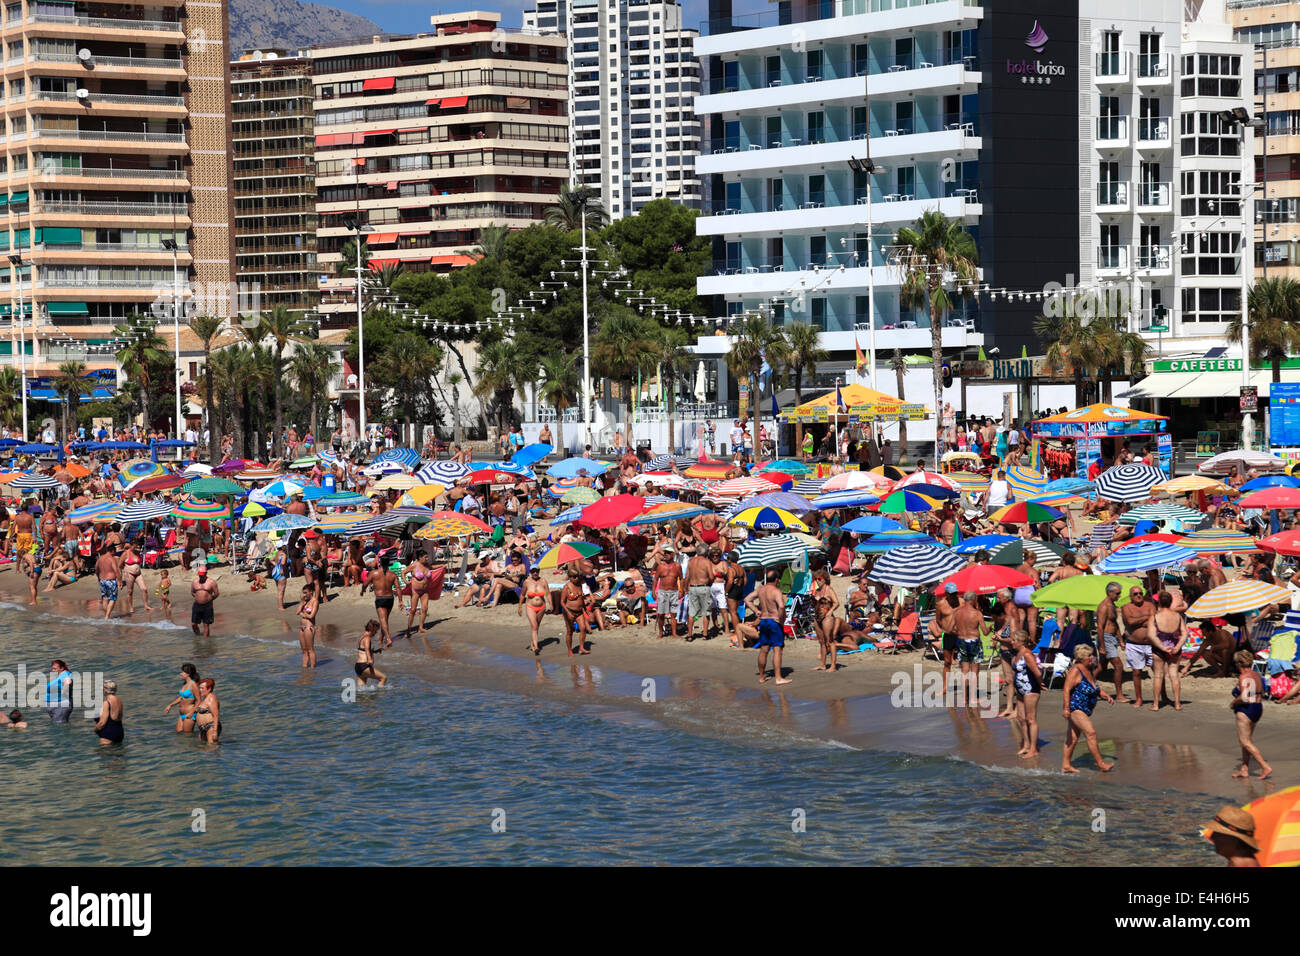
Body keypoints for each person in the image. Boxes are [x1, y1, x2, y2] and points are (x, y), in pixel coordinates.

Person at [1061, 645, 1115, 773]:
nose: (1092, 658)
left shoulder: (1088, 669)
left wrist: (1105, 694)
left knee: (1073, 737)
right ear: (1082, 658)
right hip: (1075, 707)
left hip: (1084, 709)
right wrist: (1067, 708)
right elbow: (1066, 689)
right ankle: (1101, 764)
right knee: (1091, 733)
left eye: (1091, 655)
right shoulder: (1075, 670)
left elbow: (1093, 687)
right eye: (1089, 656)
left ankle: (1066, 765)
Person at [1230, 650, 1272, 779]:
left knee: (1245, 741)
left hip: (1246, 709)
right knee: (1246, 740)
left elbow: (1244, 697)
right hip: (1257, 708)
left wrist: (1233, 703)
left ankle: (1265, 767)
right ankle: (1244, 769)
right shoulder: (1256, 674)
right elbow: (1263, 691)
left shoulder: (1243, 677)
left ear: (1238, 663)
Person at [1008, 630, 1043, 758]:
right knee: (1021, 718)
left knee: (1030, 719)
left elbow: (1037, 672)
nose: (1011, 642)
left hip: (1031, 689)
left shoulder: (1027, 654)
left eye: (1013, 640)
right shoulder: (1018, 654)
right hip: (1021, 690)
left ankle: (1034, 749)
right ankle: (1026, 745)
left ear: (1021, 642)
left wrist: (1041, 683)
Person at [1149, 591, 1186, 711]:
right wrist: (1178, 646)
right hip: (1175, 648)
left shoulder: (1155, 616)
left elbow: (1151, 635)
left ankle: (1155, 704)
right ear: (1170, 602)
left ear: (1159, 602)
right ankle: (1177, 703)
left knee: (1158, 676)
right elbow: (1185, 633)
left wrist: (1162, 647)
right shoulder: (1177, 616)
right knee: (1174, 675)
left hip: (1160, 649)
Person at [754, 569, 790, 684]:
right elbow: (781, 606)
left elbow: (747, 599)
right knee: (777, 650)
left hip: (763, 620)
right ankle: (778, 678)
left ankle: (761, 676)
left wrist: (756, 610)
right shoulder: (776, 591)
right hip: (773, 621)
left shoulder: (760, 589)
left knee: (764, 649)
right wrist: (781, 619)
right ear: (776, 580)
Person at [654, 546, 684, 639]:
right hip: (663, 592)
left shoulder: (677, 566)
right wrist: (654, 591)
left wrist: (681, 590)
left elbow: (681, 579)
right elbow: (655, 579)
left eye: (667, 553)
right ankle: (660, 633)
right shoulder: (661, 566)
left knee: (673, 615)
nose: (665, 554)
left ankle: (674, 633)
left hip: (674, 592)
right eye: (665, 553)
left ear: (672, 555)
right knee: (661, 614)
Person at [685, 548, 714, 641]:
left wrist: (685, 588)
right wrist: (709, 584)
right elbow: (711, 576)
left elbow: (687, 577)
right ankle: (705, 634)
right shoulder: (707, 562)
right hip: (704, 586)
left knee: (692, 613)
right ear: (706, 552)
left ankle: (689, 635)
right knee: (706, 612)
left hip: (693, 587)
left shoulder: (691, 561)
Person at [163, 663, 202, 733]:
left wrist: (191, 712)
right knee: (179, 734)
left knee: (187, 736)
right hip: (182, 715)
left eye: (182, 672)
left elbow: (199, 700)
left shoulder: (193, 685)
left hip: (189, 714)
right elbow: (181, 697)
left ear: (188, 673)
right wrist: (170, 705)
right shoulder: (185, 684)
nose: (181, 674)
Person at [560, 568, 590, 657]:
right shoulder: (567, 587)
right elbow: (562, 602)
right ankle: (570, 651)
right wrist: (568, 613)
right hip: (570, 611)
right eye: (574, 577)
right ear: (569, 577)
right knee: (570, 631)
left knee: (583, 628)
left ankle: (581, 648)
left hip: (579, 611)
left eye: (577, 576)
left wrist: (585, 609)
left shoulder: (579, 584)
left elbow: (581, 598)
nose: (576, 578)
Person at [369, 561, 398, 647]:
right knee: (385, 619)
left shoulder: (374, 573)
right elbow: (398, 588)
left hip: (380, 598)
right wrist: (400, 600)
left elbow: (366, 582)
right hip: (390, 598)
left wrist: (363, 590)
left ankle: (388, 639)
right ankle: (381, 638)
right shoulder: (392, 574)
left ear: (380, 564)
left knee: (383, 619)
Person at [523, 567, 548, 655]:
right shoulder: (527, 582)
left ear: (539, 571)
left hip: (542, 607)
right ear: (530, 572)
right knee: (534, 626)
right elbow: (522, 595)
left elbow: (548, 594)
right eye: (533, 571)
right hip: (530, 606)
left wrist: (551, 604)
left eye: (537, 571)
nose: (535, 573)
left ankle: (532, 644)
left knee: (536, 626)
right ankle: (536, 647)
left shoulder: (543, 581)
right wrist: (519, 607)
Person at [355, 620, 387, 687]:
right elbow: (366, 649)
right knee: (383, 678)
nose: (376, 633)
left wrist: (376, 651)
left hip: (358, 666)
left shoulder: (362, 637)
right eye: (376, 631)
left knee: (362, 690)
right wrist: (370, 659)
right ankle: (379, 695)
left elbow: (363, 650)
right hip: (364, 665)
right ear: (372, 629)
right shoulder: (367, 638)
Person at [190, 565, 219, 638]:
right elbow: (193, 592)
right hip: (197, 605)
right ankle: (198, 638)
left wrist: (209, 599)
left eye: (202, 575)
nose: (201, 577)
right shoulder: (195, 582)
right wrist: (198, 598)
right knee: (193, 624)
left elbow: (216, 593)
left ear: (206, 573)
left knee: (206, 624)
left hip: (207, 605)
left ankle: (206, 642)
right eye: (200, 575)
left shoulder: (211, 582)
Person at [93, 679, 124, 746]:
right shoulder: (119, 701)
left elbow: (102, 723)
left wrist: (95, 729)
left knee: (105, 754)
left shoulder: (106, 703)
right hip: (119, 732)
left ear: (105, 690)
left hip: (108, 734)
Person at [95, 546, 119, 620]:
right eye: (114, 552)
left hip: (102, 580)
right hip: (111, 580)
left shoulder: (100, 558)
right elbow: (116, 570)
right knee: (113, 598)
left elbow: (96, 569)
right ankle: (107, 616)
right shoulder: (112, 559)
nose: (114, 554)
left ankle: (107, 615)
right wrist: (120, 581)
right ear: (112, 551)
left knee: (105, 598)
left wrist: (98, 577)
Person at [297, 585, 318, 668]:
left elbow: (311, 616)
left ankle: (313, 668)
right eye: (303, 593)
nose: (304, 595)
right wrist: (302, 602)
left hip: (309, 627)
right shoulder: (305, 601)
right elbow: (297, 612)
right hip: (302, 627)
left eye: (306, 593)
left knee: (310, 649)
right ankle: (305, 668)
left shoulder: (314, 601)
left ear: (311, 592)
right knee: (304, 650)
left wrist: (303, 614)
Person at [194, 677, 220, 745]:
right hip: (203, 728)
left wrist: (215, 731)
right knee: (204, 749)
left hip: (211, 726)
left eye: (202, 688)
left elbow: (215, 715)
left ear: (209, 689)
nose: (200, 690)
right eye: (199, 688)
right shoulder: (205, 699)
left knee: (212, 747)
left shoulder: (211, 699)